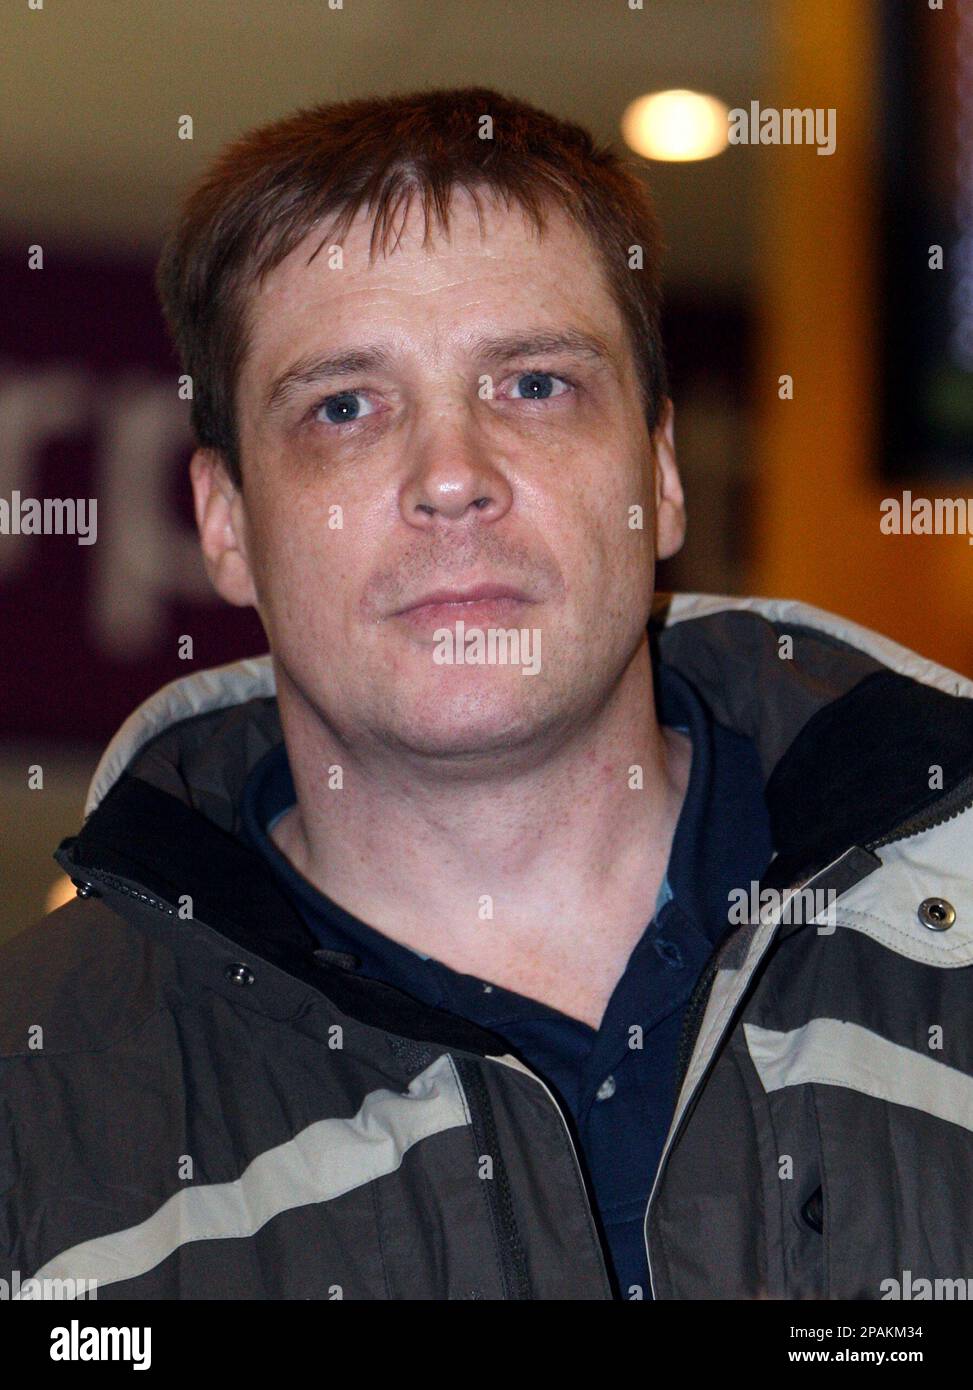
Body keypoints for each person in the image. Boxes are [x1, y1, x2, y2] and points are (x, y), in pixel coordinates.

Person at [3, 86, 973, 1302]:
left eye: (533, 385)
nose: (452, 478)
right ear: (226, 521)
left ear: (660, 474)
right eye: (343, 408)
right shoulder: (34, 1114)